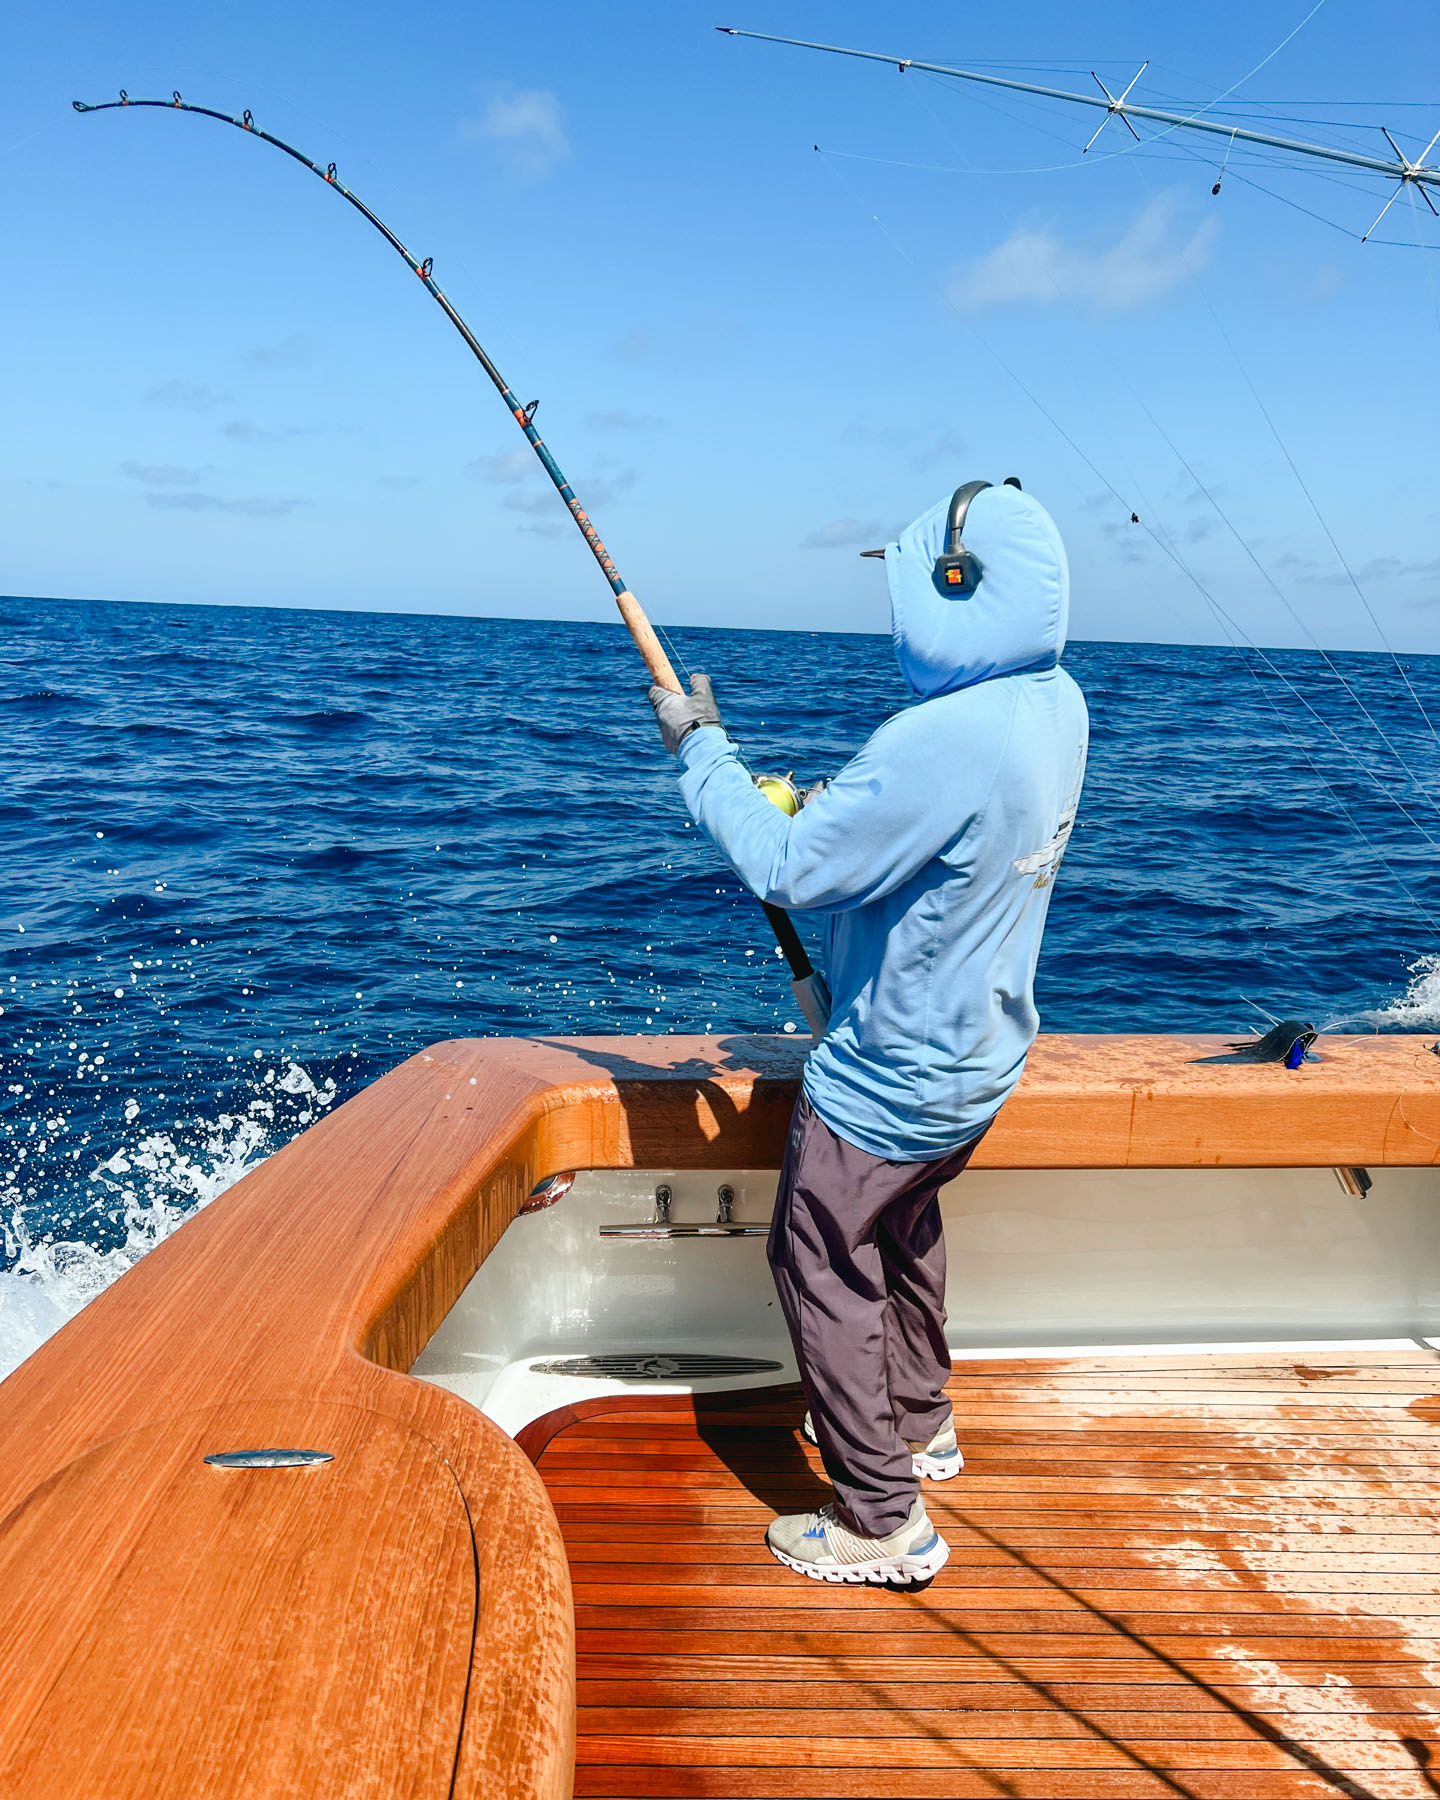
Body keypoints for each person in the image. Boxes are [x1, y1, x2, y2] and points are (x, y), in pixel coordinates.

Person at [649, 481, 1088, 1585]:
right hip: (977, 1063)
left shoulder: (942, 739)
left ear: (957, 590)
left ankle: (880, 1519)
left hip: (889, 1080)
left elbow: (788, 869)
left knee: (818, 1254)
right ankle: (920, 1418)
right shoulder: (1056, 705)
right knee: (904, 1226)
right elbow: (924, 852)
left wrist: (704, 754)